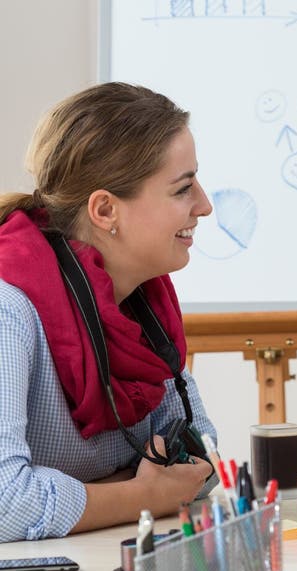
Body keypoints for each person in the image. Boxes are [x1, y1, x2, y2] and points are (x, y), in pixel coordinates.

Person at [0, 82, 216, 543]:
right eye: (183, 189)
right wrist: (142, 495)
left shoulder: (145, 299)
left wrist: (100, 495)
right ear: (105, 209)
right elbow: (6, 502)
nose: (205, 205)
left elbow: (200, 466)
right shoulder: (9, 310)